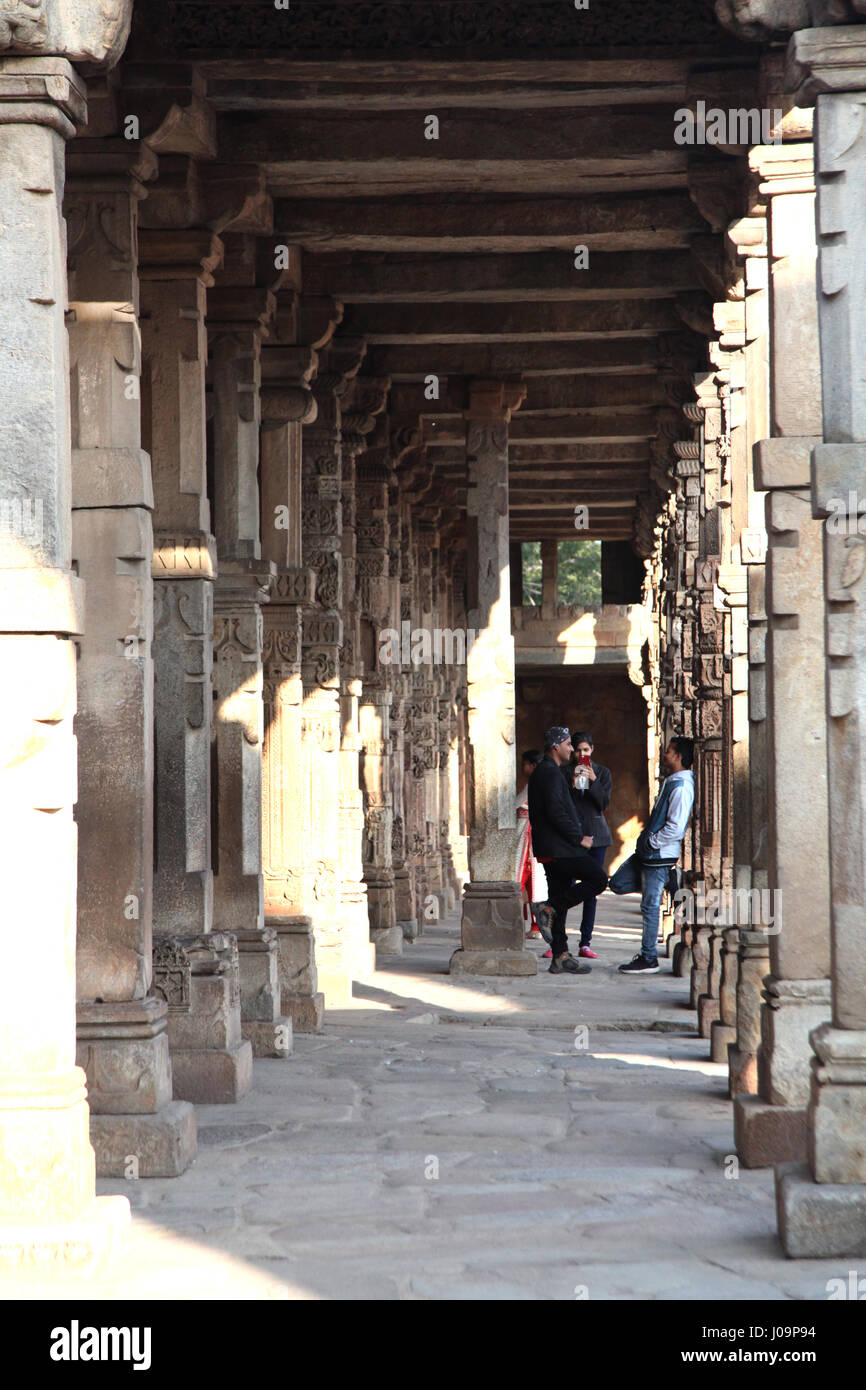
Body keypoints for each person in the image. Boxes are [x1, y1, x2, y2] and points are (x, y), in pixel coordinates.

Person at [608, 736, 695, 974]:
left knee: (649, 905)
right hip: (650, 854)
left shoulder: (682, 786)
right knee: (617, 883)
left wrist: (653, 842)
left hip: (658, 855)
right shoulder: (673, 781)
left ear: (678, 756)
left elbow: (675, 827)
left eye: (668, 751)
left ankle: (648, 958)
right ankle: (669, 879)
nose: (664, 754)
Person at [527, 726, 609, 975]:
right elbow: (556, 812)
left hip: (555, 847)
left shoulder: (549, 771)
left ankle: (560, 955)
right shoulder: (550, 773)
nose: (572, 749)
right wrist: (578, 838)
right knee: (598, 879)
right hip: (560, 848)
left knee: (561, 895)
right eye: (568, 744)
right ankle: (547, 907)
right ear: (556, 746)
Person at [567, 731, 612, 959]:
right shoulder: (564, 772)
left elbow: (603, 803)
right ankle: (558, 940)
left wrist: (593, 780)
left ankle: (585, 942)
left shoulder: (603, 772)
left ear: (592, 750)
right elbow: (563, 805)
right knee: (564, 886)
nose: (581, 754)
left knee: (592, 889)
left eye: (585, 750)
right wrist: (573, 784)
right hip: (572, 836)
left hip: (596, 836)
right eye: (577, 750)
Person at [516, 749, 547, 938]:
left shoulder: (534, 786)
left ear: (532, 765)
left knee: (529, 883)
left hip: (529, 840)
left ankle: (531, 926)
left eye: (524, 764)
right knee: (533, 884)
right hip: (529, 840)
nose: (522, 768)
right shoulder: (536, 785)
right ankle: (535, 927)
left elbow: (514, 806)